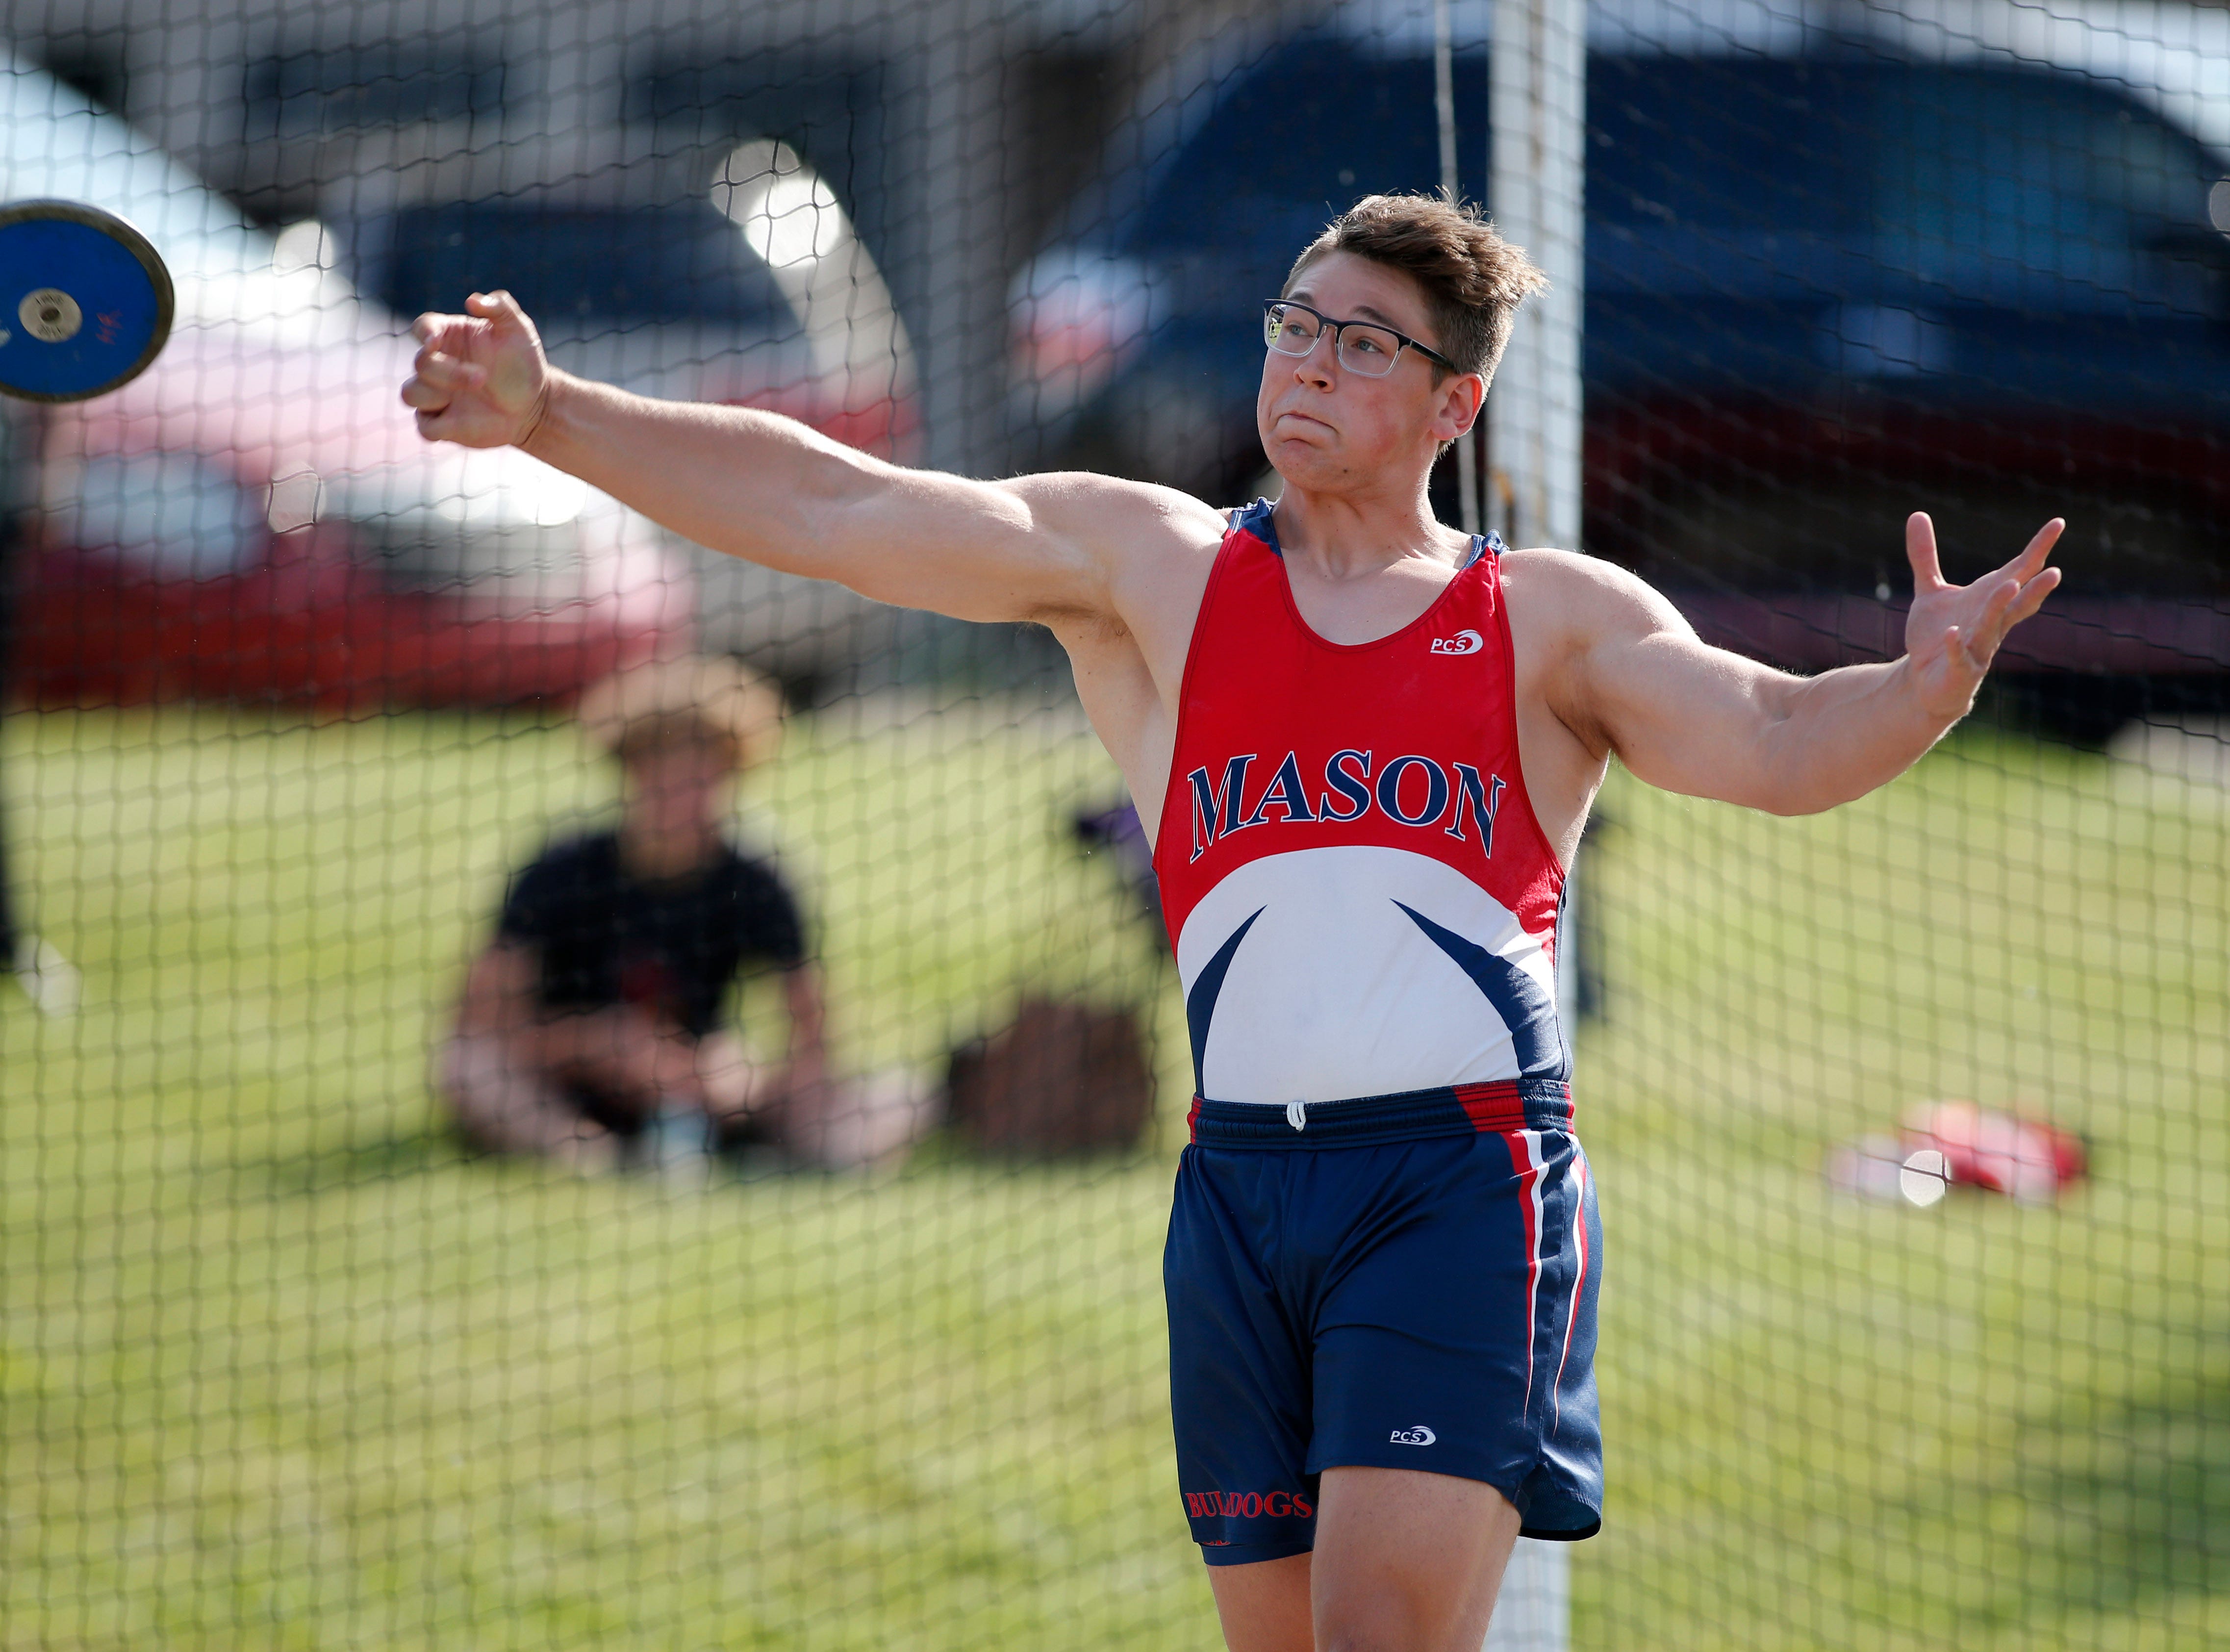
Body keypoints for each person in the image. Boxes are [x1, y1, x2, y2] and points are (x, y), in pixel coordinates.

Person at [402, 193, 2060, 1651]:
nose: (1307, 361)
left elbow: (1773, 737)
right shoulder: (1153, 567)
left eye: (1360, 342)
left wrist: (1921, 686)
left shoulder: (1545, 619)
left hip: (1457, 1185)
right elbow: (838, 509)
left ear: (1449, 401)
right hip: (1238, 1190)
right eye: (1294, 323)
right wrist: (556, 417)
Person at [436, 655, 932, 1174]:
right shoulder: (561, 871)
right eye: (666, 773)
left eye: (704, 774)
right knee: (468, 1071)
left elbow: (817, 1045)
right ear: (630, 770)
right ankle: (583, 1156)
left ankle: (751, 1154)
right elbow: (476, 1029)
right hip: (558, 1090)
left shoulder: (759, 878)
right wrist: (594, 1044)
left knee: (897, 1099)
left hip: (692, 1095)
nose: (685, 794)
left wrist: (735, 1078)